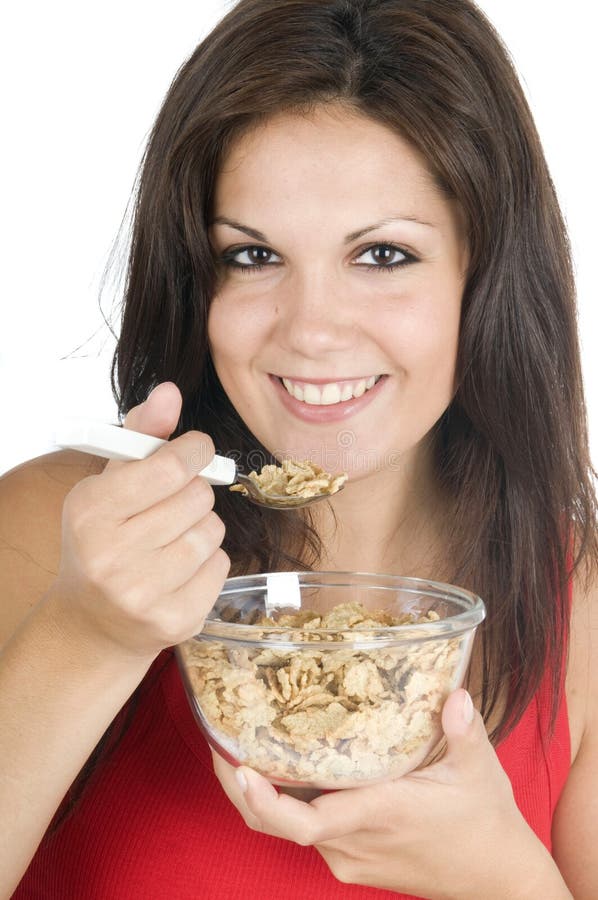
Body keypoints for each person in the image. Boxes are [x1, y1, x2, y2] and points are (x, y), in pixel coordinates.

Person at [1, 0, 596, 897]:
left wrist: (502, 876)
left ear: (486, 279)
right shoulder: (49, 533)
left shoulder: (579, 599)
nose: (312, 332)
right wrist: (89, 636)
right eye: (252, 257)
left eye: (385, 256)